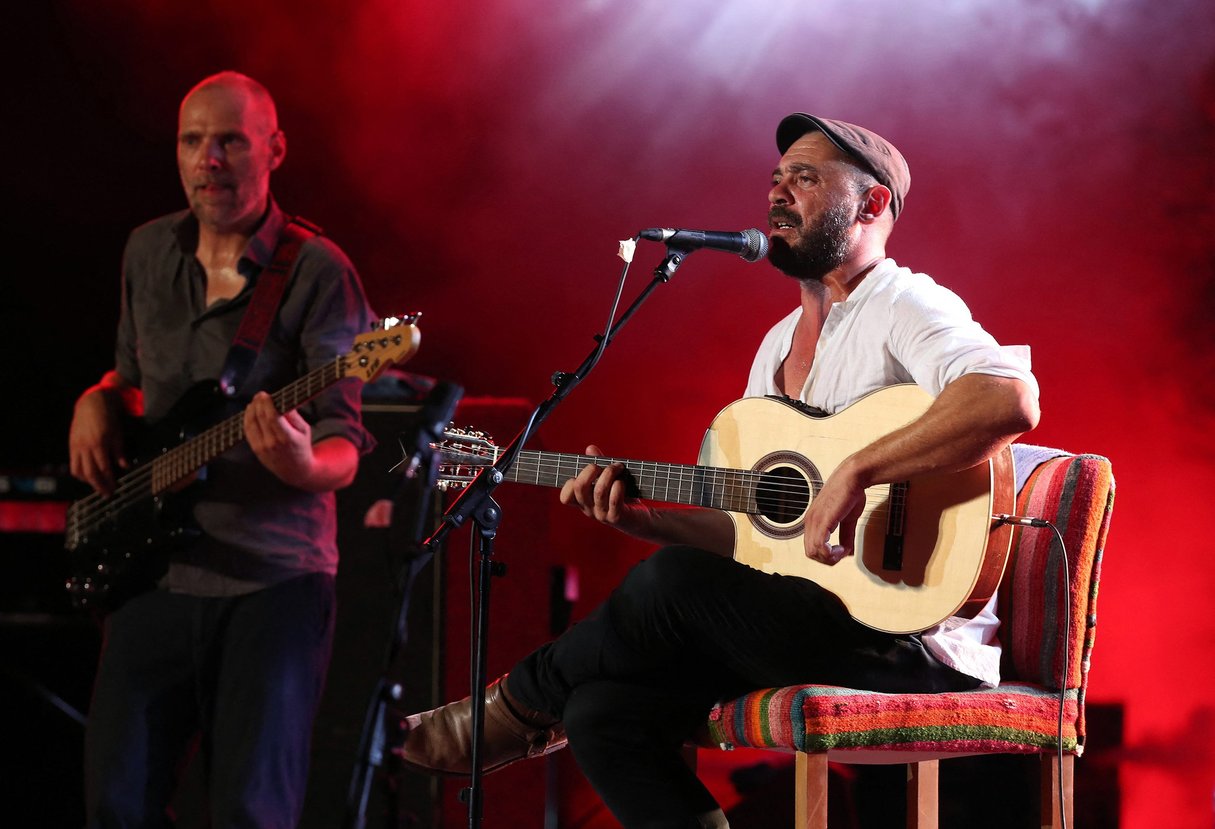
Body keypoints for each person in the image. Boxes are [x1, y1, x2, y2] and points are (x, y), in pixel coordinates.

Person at [396, 113, 1041, 828]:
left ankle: (515, 704)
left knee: (670, 582)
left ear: (872, 203)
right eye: (776, 178)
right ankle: (543, 705)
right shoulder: (775, 346)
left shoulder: (905, 303)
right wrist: (645, 516)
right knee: (602, 712)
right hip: (805, 618)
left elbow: (1007, 398)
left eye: (805, 177)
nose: (777, 192)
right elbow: (752, 535)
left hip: (907, 636)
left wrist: (858, 468)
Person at [68, 71, 374, 828]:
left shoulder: (318, 271)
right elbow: (131, 383)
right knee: (115, 806)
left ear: (274, 150)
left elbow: (345, 443)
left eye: (231, 141)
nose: (209, 159)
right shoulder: (147, 250)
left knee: (250, 814)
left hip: (273, 581)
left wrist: (303, 465)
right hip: (153, 573)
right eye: (193, 140)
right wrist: (95, 399)